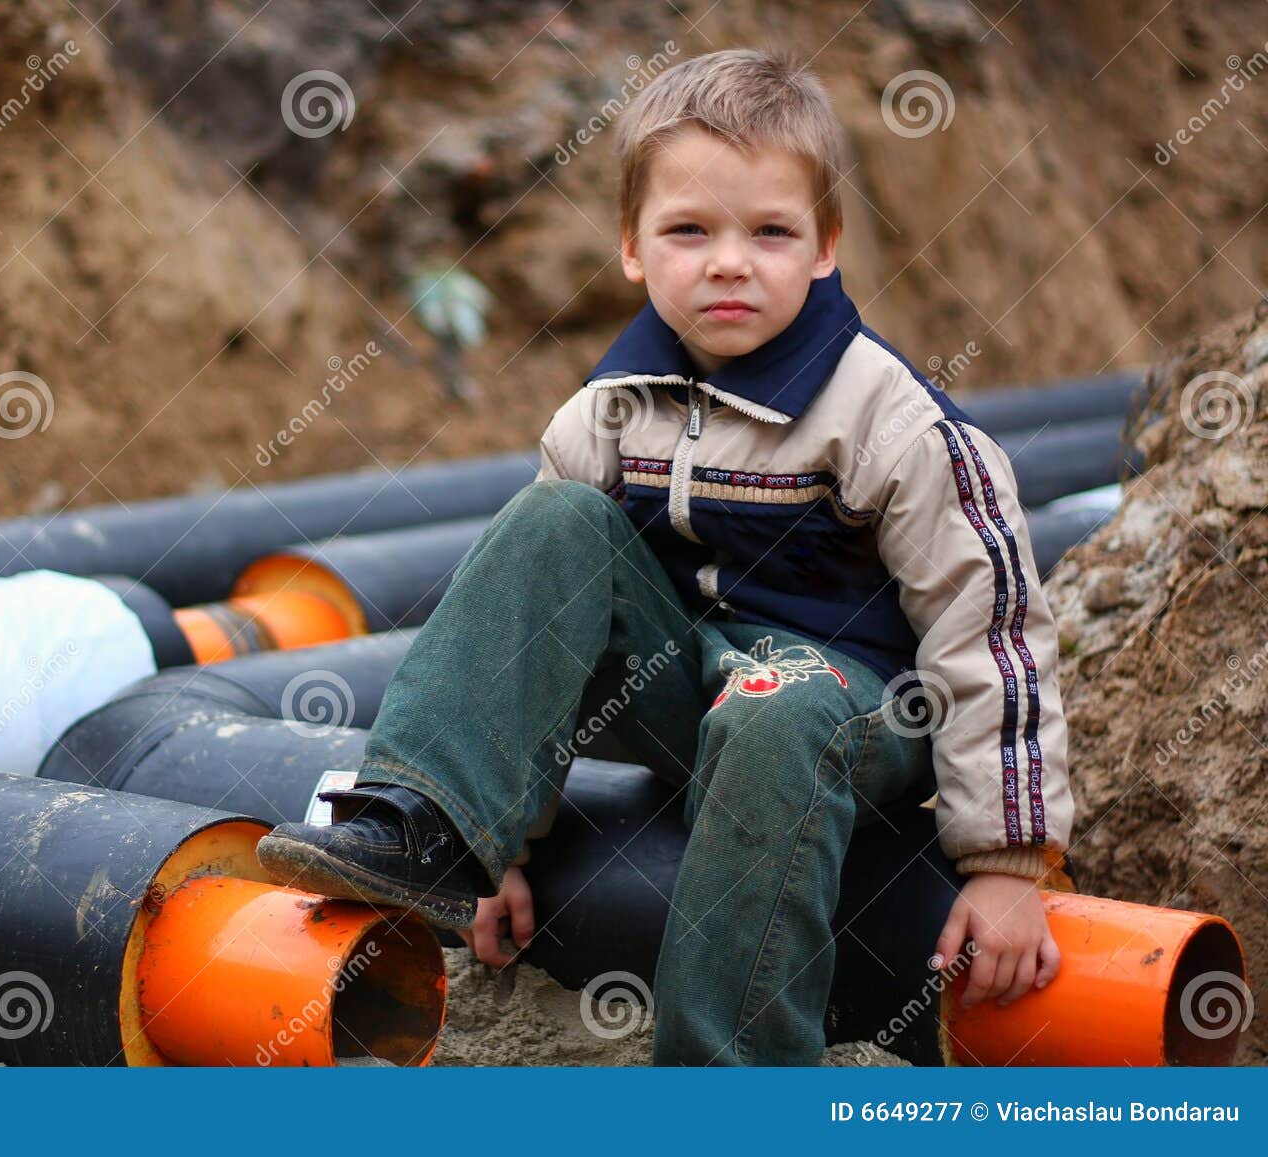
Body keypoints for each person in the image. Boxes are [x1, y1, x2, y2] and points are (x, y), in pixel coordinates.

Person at [255, 47, 1075, 1065]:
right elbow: (533, 627)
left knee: (779, 709)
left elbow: (986, 628)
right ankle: (434, 826)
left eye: (769, 231)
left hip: (851, 710)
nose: (728, 261)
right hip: (690, 691)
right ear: (633, 249)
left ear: (826, 245)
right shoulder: (607, 410)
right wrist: (507, 838)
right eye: (689, 230)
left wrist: (1006, 863)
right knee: (549, 524)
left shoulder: (887, 421)